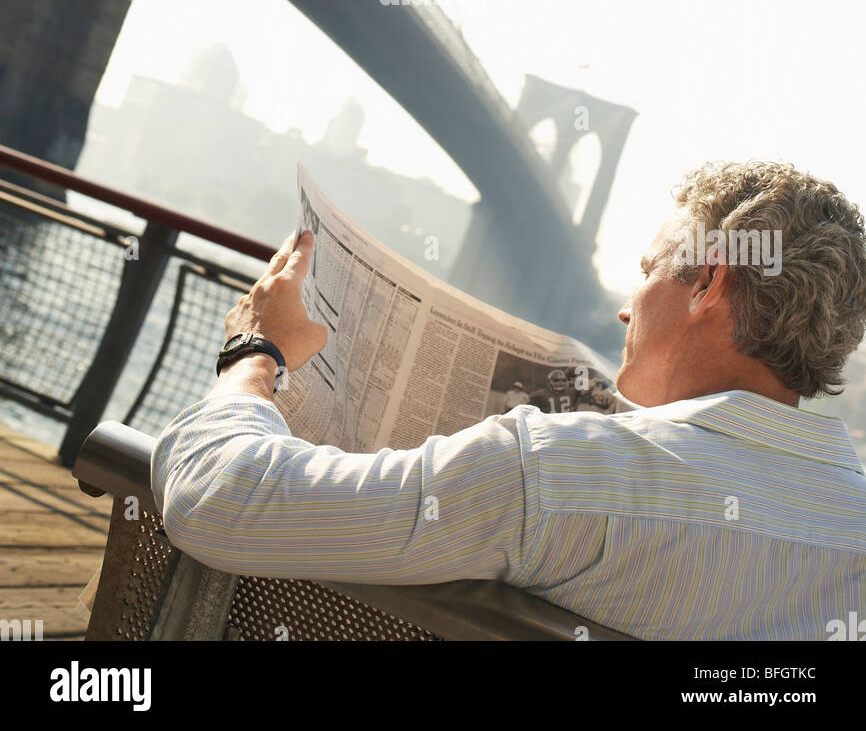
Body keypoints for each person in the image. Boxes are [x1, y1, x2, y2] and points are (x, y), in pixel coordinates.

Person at [152, 160, 866, 640]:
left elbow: (225, 500)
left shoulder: (563, 474)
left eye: (646, 273)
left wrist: (255, 355)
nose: (625, 309)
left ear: (709, 285)